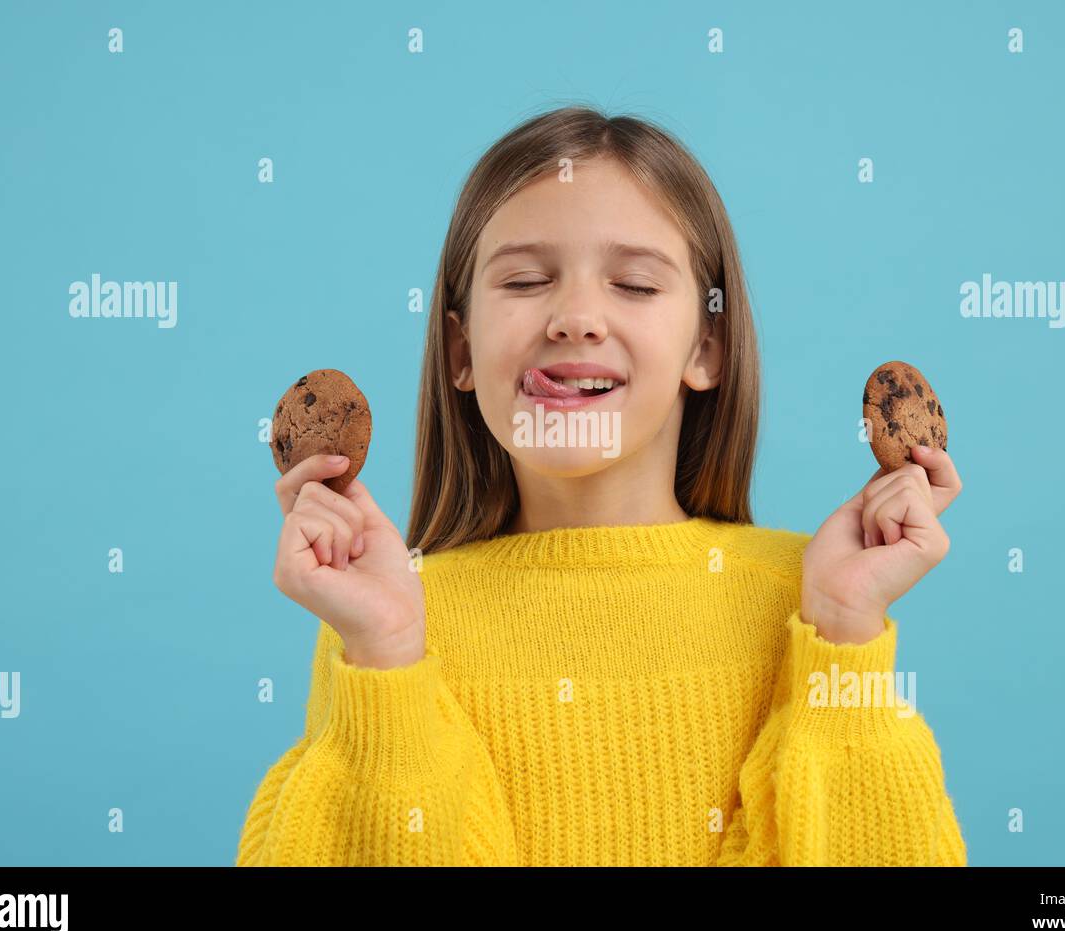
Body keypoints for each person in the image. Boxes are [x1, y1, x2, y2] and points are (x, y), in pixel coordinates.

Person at [236, 105, 967, 866]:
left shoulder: (811, 604)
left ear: (707, 345)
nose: (576, 317)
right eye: (524, 279)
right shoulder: (389, 620)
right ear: (461, 348)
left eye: (635, 285)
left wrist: (845, 632)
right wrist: (385, 658)